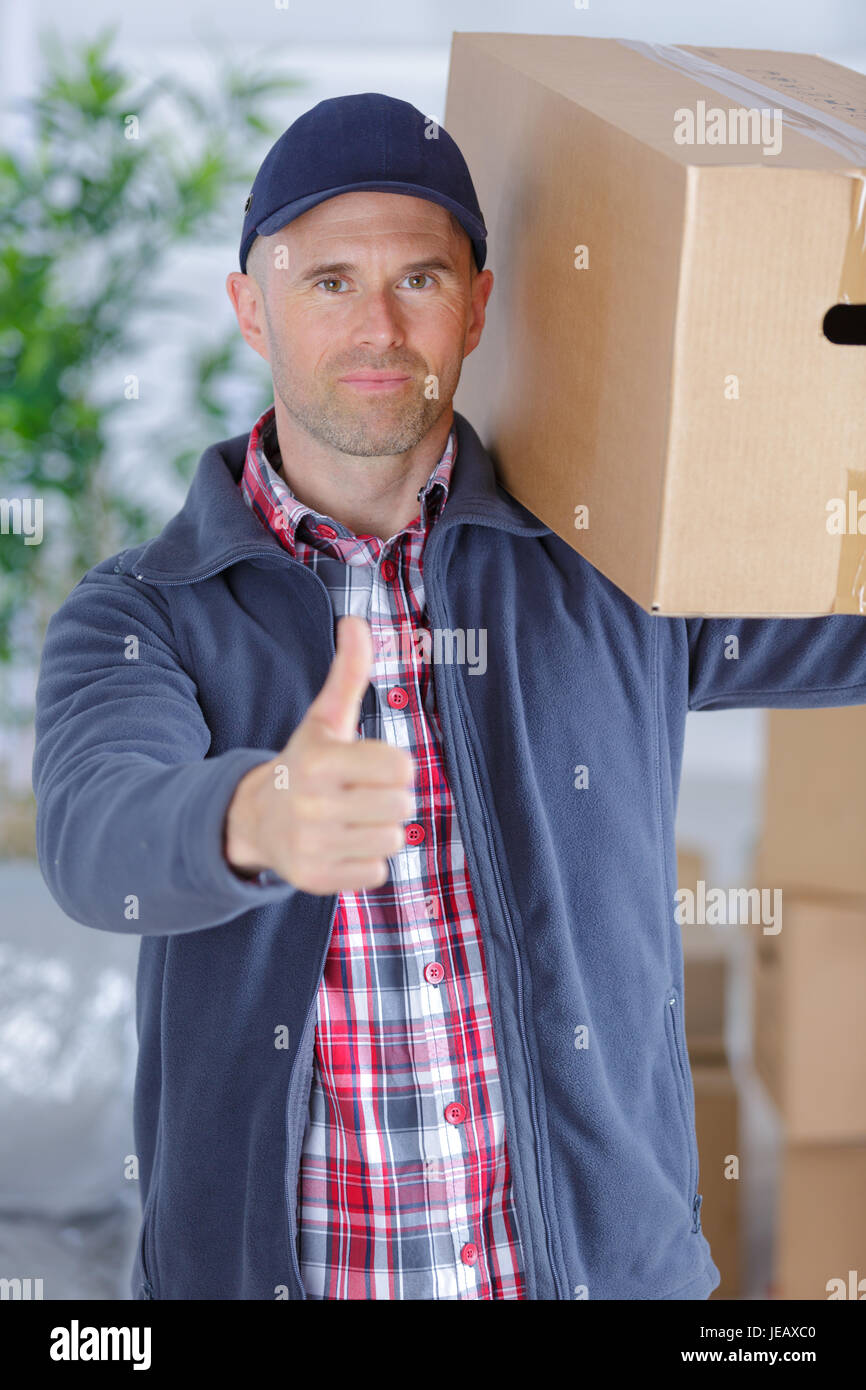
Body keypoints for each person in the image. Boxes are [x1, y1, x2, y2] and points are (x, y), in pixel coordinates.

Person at [31, 92, 866, 1302]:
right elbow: (93, 834)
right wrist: (258, 818)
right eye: (326, 281)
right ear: (248, 308)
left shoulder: (612, 568)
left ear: (477, 306)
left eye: (418, 278)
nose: (376, 326)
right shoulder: (143, 611)